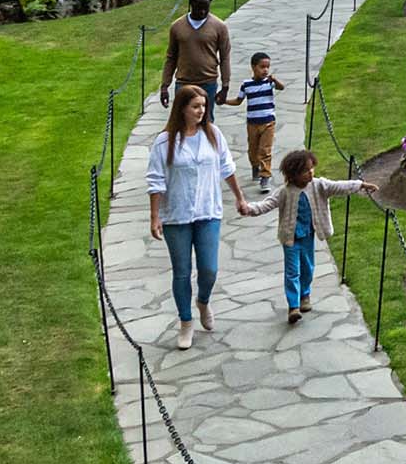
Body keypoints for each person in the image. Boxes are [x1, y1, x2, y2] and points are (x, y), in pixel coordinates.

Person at [146, 84, 248, 350]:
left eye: (203, 106)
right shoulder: (164, 142)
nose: (201, 111)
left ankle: (203, 300)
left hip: (207, 212)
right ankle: (186, 321)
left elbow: (227, 167)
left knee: (209, 269)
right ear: (182, 109)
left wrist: (239, 197)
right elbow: (155, 180)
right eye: (196, 106)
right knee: (181, 272)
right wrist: (155, 216)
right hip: (176, 216)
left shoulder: (213, 134)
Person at [239, 148, 377, 325]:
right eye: (305, 171)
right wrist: (248, 208)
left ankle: (305, 295)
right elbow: (266, 204)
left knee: (308, 268)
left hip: (307, 236)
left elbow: (339, 186)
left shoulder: (319, 185)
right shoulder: (285, 192)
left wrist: (360, 185)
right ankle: (293, 306)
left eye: (311, 168)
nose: (310, 173)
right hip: (290, 238)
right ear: (293, 174)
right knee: (292, 271)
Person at [158, 0, 232, 123]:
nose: (203, 11)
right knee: (181, 121)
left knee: (206, 122)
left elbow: (225, 58)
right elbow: (171, 58)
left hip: (208, 82)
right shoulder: (177, 27)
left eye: (206, 7)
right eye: (199, 7)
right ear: (191, 3)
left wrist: (225, 86)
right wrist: (164, 86)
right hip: (184, 82)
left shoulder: (219, 27)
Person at [237, 53, 285, 189]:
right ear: (253, 67)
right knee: (253, 149)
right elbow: (238, 100)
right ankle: (255, 167)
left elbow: (282, 87)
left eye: (267, 67)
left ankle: (265, 176)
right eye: (262, 67)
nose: (265, 70)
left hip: (268, 122)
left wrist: (274, 80)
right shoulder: (246, 85)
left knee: (265, 150)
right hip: (252, 123)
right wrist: (224, 101)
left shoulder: (269, 83)